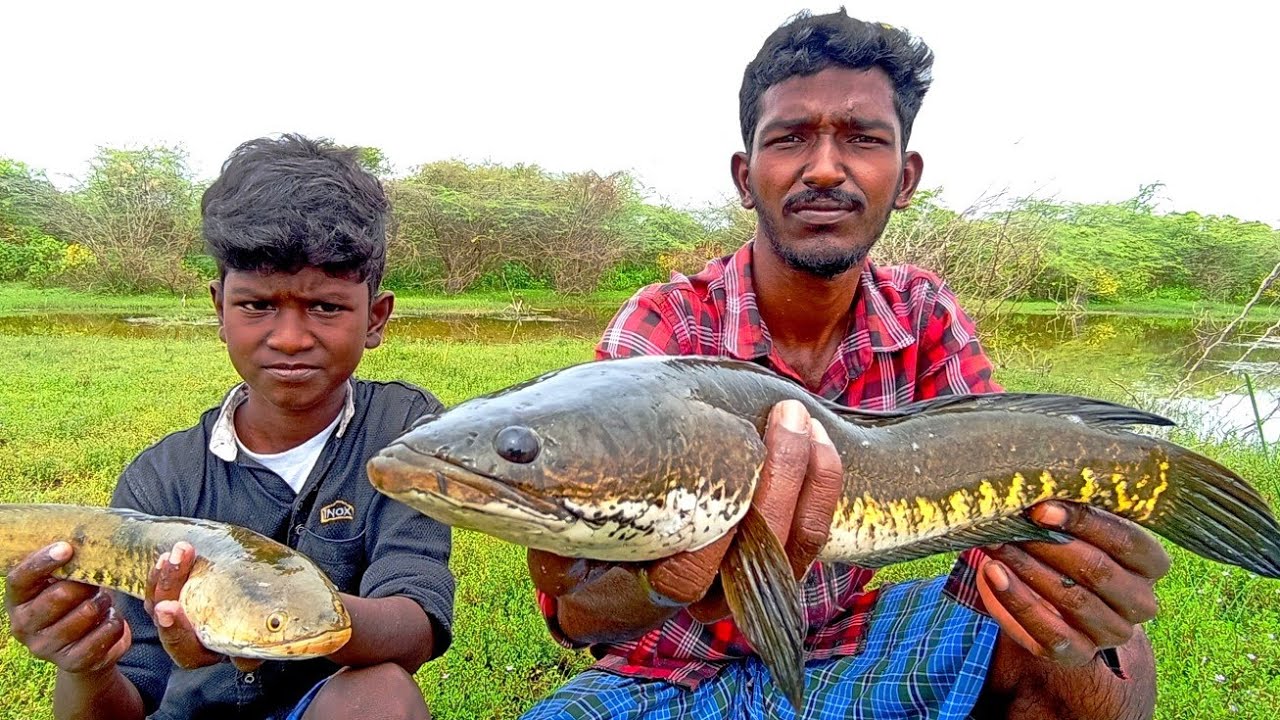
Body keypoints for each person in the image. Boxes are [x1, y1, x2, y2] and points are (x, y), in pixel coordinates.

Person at [522, 9, 1169, 720]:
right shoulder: (662, 328)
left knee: (1105, 656)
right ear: (746, 176)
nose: (825, 168)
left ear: (905, 175)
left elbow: (996, 526)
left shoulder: (924, 314)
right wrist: (658, 583)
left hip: (846, 640)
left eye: (862, 139)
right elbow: (577, 612)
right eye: (790, 137)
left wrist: (1064, 576)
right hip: (666, 672)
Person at [4, 134, 455, 720]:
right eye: (258, 305)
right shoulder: (160, 479)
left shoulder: (405, 432)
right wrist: (85, 661)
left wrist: (260, 623)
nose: (290, 337)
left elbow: (414, 621)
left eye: (325, 307)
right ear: (219, 309)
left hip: (327, 705)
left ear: (375, 317)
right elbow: (127, 699)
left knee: (383, 694)